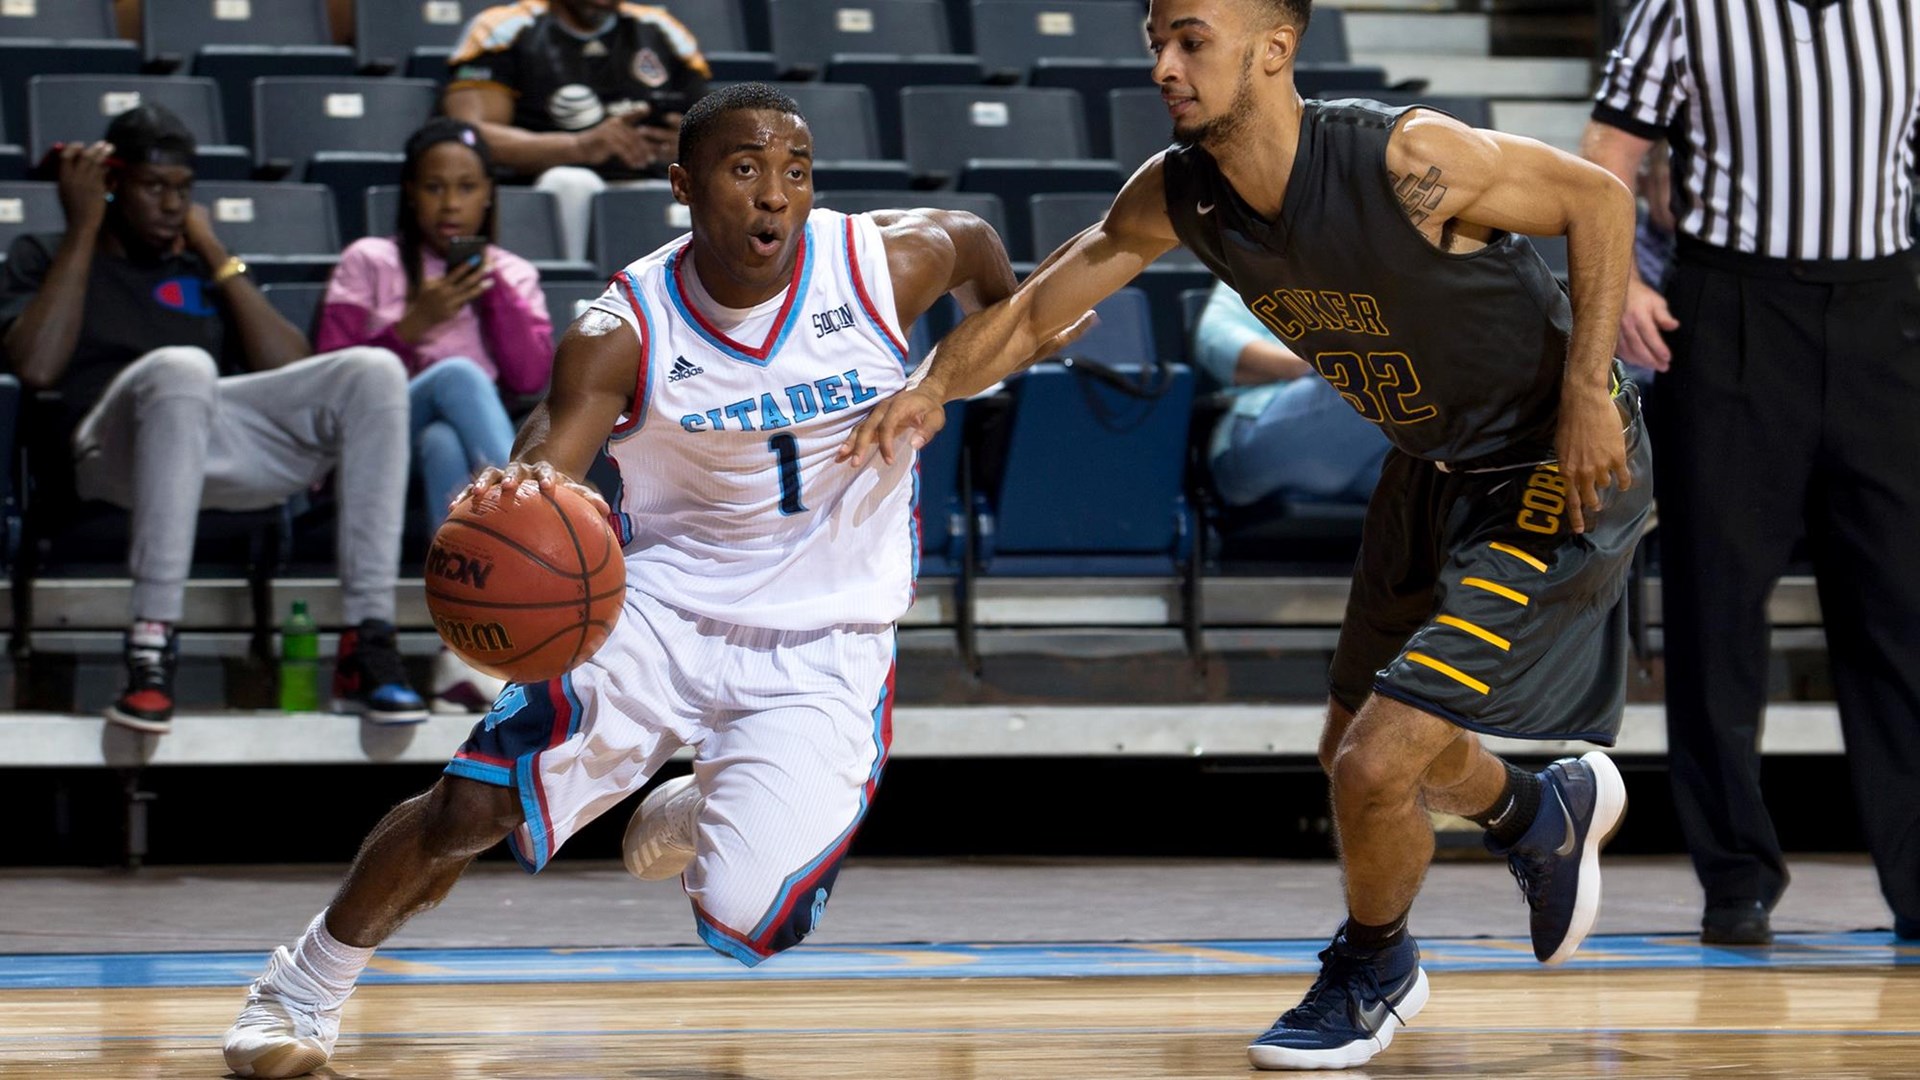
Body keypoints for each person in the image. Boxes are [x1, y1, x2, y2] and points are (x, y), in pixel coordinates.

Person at [843, 0, 1650, 1069]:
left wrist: (1590, 392)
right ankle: (1530, 814)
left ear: (1275, 48)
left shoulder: (1409, 159)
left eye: (1191, 40)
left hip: (1553, 465)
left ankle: (1374, 967)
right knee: (1347, 755)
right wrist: (929, 387)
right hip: (1433, 466)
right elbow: (1039, 309)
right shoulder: (1180, 190)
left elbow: (1597, 199)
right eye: (1156, 46)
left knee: (1372, 768)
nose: (1166, 67)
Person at [219, 82, 1084, 1079]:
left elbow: (979, 247)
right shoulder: (626, 322)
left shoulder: (885, 262)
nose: (773, 197)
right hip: (658, 610)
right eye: (744, 169)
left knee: (756, 922)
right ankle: (297, 995)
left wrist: (989, 343)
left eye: (794, 174)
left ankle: (693, 800)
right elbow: (556, 437)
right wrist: (528, 479)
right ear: (683, 185)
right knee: (474, 807)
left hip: (828, 637)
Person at [1583, 0, 1920, 947]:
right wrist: (1626, 289)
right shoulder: (1686, 7)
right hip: (1733, 308)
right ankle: (1735, 880)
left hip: (1882, 311)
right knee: (1715, 611)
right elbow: (1607, 153)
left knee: (1900, 612)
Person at [0, 104, 425, 734]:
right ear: (113, 184)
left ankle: (369, 637)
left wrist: (213, 248)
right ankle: (151, 647)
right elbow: (34, 365)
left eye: (183, 191)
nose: (172, 206)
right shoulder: (45, 253)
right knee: (182, 367)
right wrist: (84, 226)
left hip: (203, 452)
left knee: (372, 371)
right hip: (105, 458)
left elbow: (289, 365)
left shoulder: (200, 266)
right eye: (154, 188)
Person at [316, 118, 554, 712]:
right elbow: (325, 378)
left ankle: (462, 657)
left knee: (446, 444)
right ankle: (529, 529)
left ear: (489, 195)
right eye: (434, 187)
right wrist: (408, 330)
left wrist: (490, 286)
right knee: (458, 377)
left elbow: (530, 378)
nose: (451, 203)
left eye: (468, 187)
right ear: (409, 193)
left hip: (439, 456)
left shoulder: (512, 271)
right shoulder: (368, 260)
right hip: (367, 443)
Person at [445, 0, 712, 263]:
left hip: (648, 178)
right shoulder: (502, 29)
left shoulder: (662, 28)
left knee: (701, 187)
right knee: (572, 183)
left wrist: (683, 145)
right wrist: (579, 147)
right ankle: (576, 290)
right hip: (547, 183)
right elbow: (467, 136)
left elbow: (712, 129)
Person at [1192, 279, 1390, 507]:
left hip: (1368, 461)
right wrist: (1317, 365)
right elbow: (1214, 337)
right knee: (1387, 373)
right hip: (1259, 434)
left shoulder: (1392, 271)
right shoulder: (1260, 258)